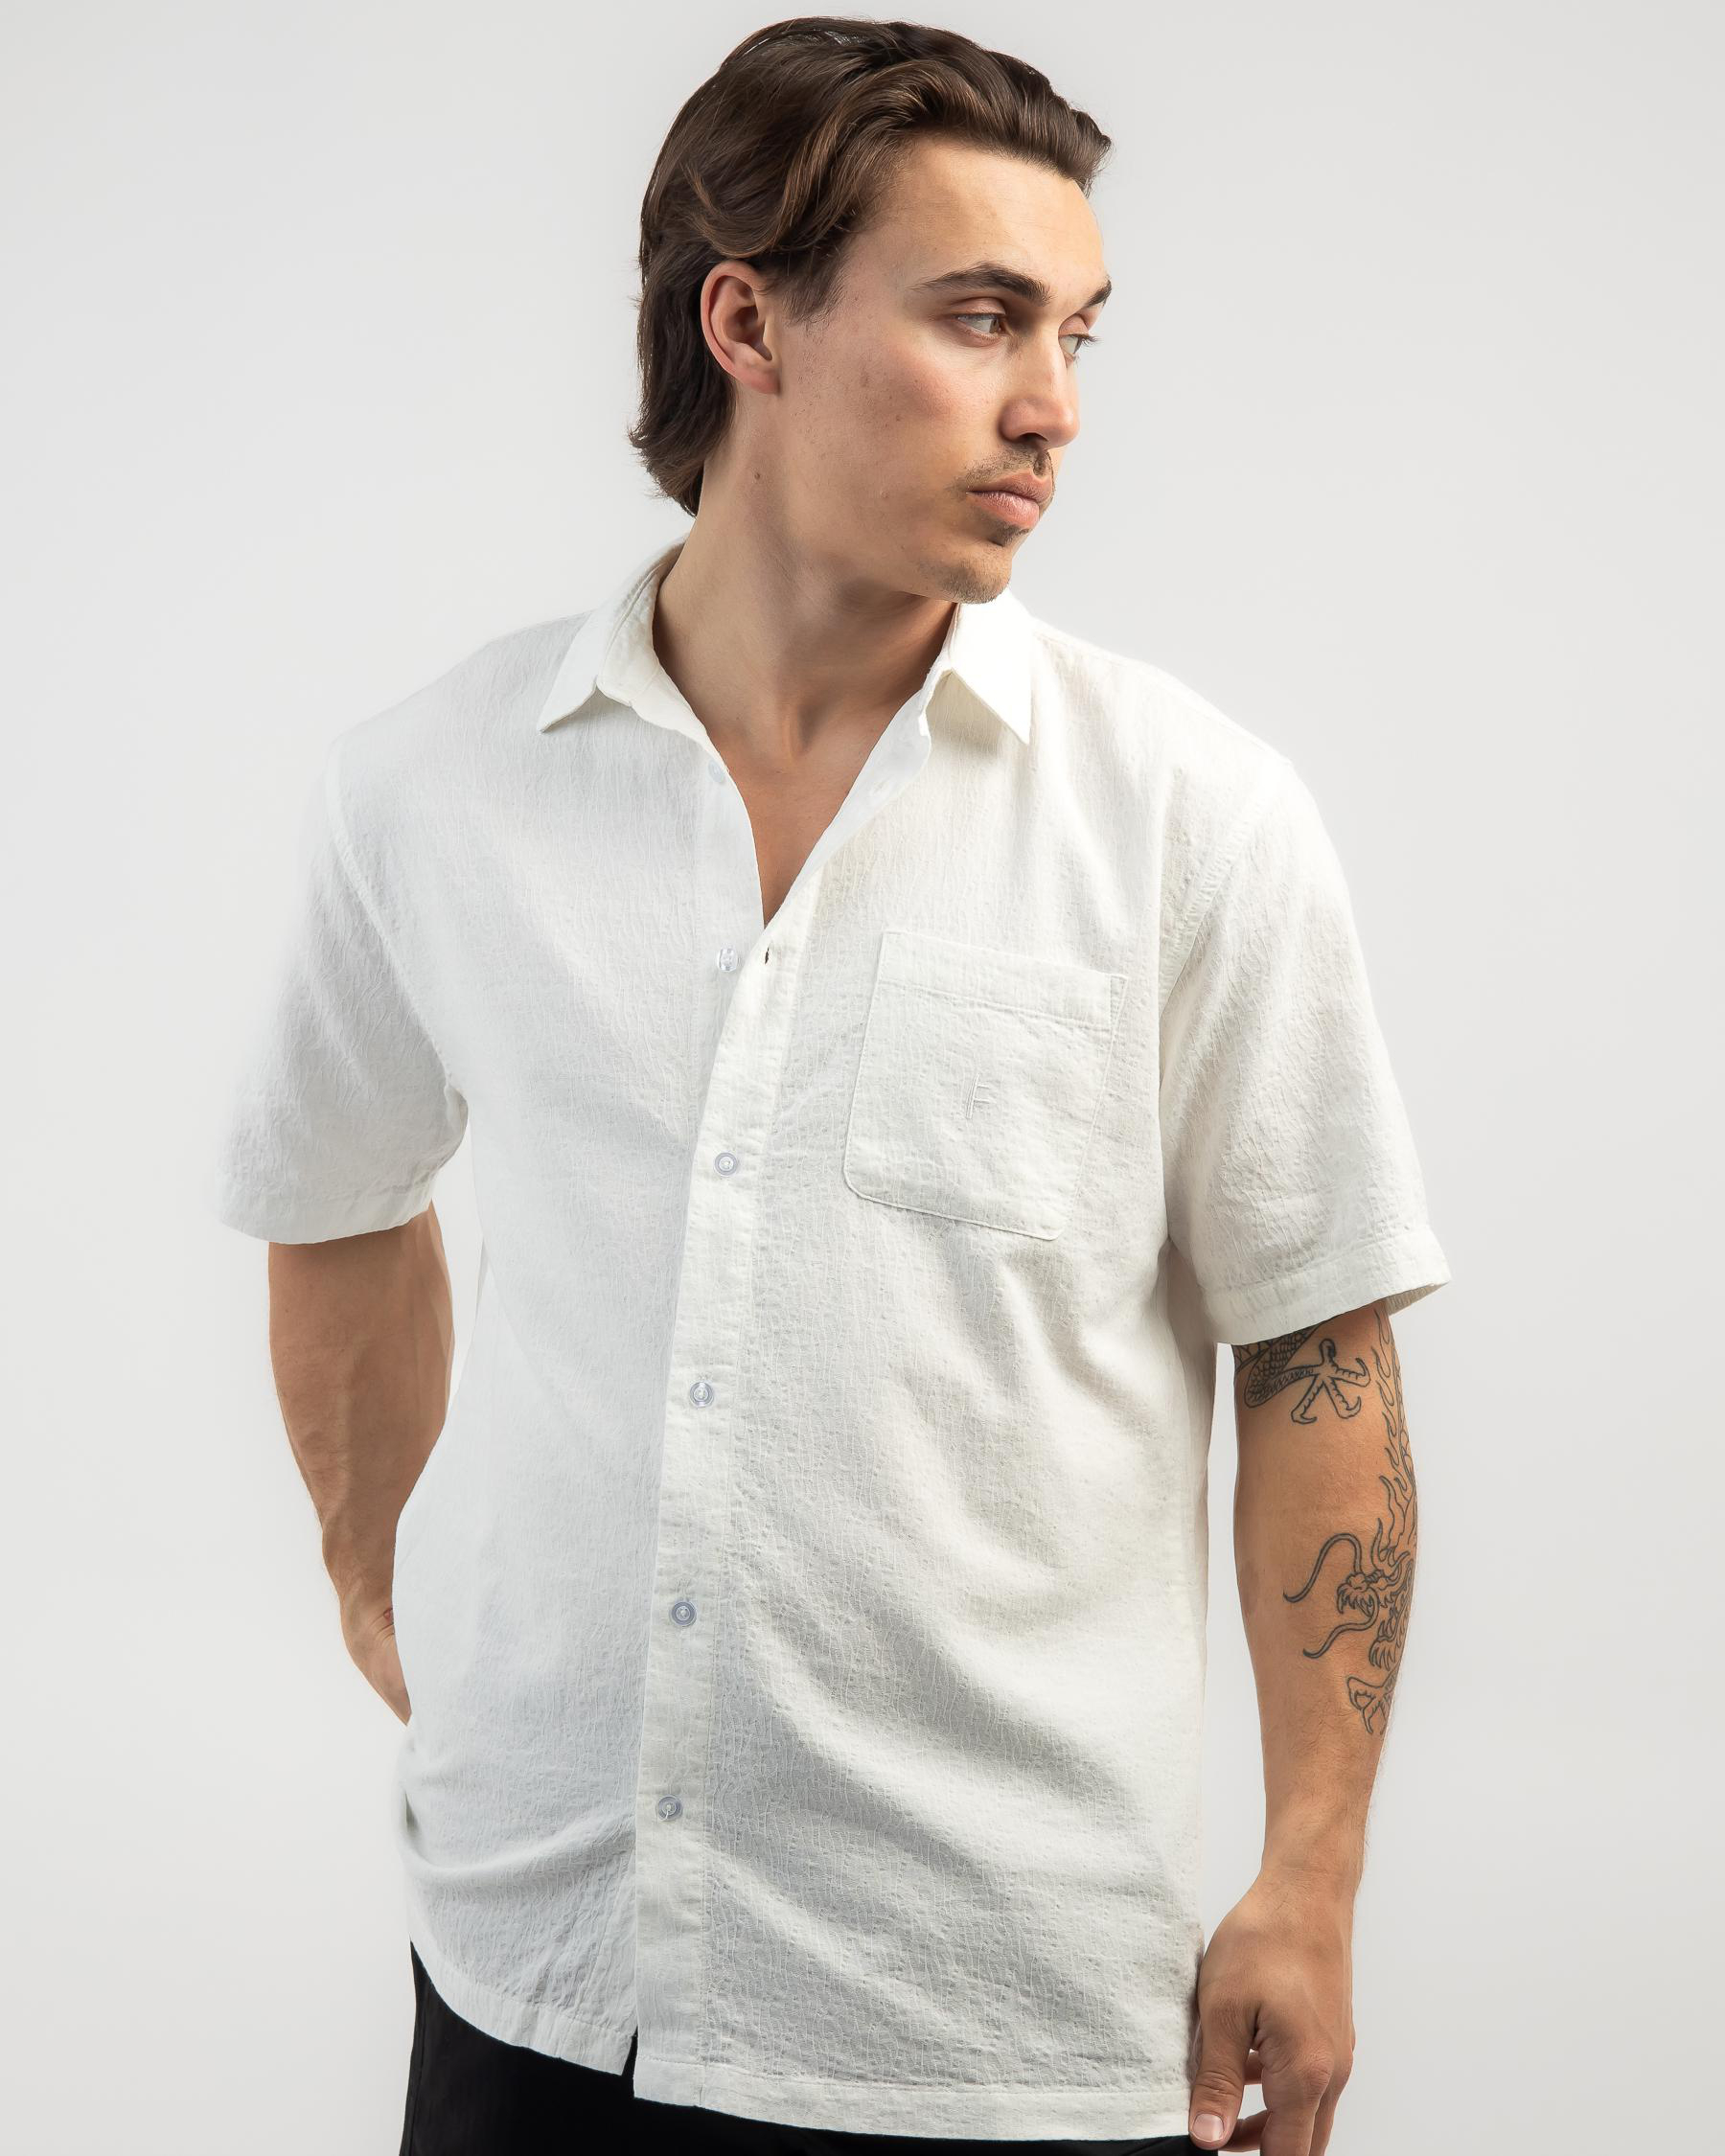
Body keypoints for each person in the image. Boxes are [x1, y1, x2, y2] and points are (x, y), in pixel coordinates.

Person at [210, 18, 1450, 2156]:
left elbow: (1318, 1353)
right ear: (748, 324)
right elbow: (334, 1196)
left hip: (993, 2018)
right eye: (981, 318)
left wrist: (1312, 1874)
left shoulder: (1192, 817)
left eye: (1075, 332)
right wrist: (375, 1578)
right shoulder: (431, 787)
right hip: (534, 1968)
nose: (1054, 405)